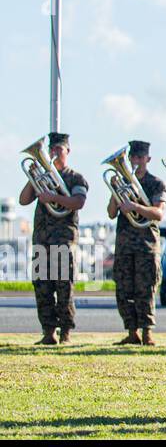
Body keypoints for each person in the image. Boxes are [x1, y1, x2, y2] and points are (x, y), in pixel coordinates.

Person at [19, 132, 88, 345]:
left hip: (63, 239)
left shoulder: (75, 178)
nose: (55, 153)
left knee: (63, 286)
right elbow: (23, 200)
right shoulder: (42, 176)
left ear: (68, 151)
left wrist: (53, 198)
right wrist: (32, 177)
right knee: (42, 286)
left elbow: (78, 202)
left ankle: (65, 332)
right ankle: (48, 332)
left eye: (59, 149)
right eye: (52, 150)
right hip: (42, 239)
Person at [108, 141, 166, 346]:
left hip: (146, 244)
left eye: (140, 158)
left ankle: (147, 332)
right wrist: (116, 191)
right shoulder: (122, 182)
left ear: (148, 159)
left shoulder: (156, 183)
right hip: (124, 244)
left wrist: (135, 206)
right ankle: (131, 331)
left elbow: (158, 213)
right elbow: (111, 213)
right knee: (124, 289)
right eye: (132, 157)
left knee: (146, 289)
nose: (135, 161)